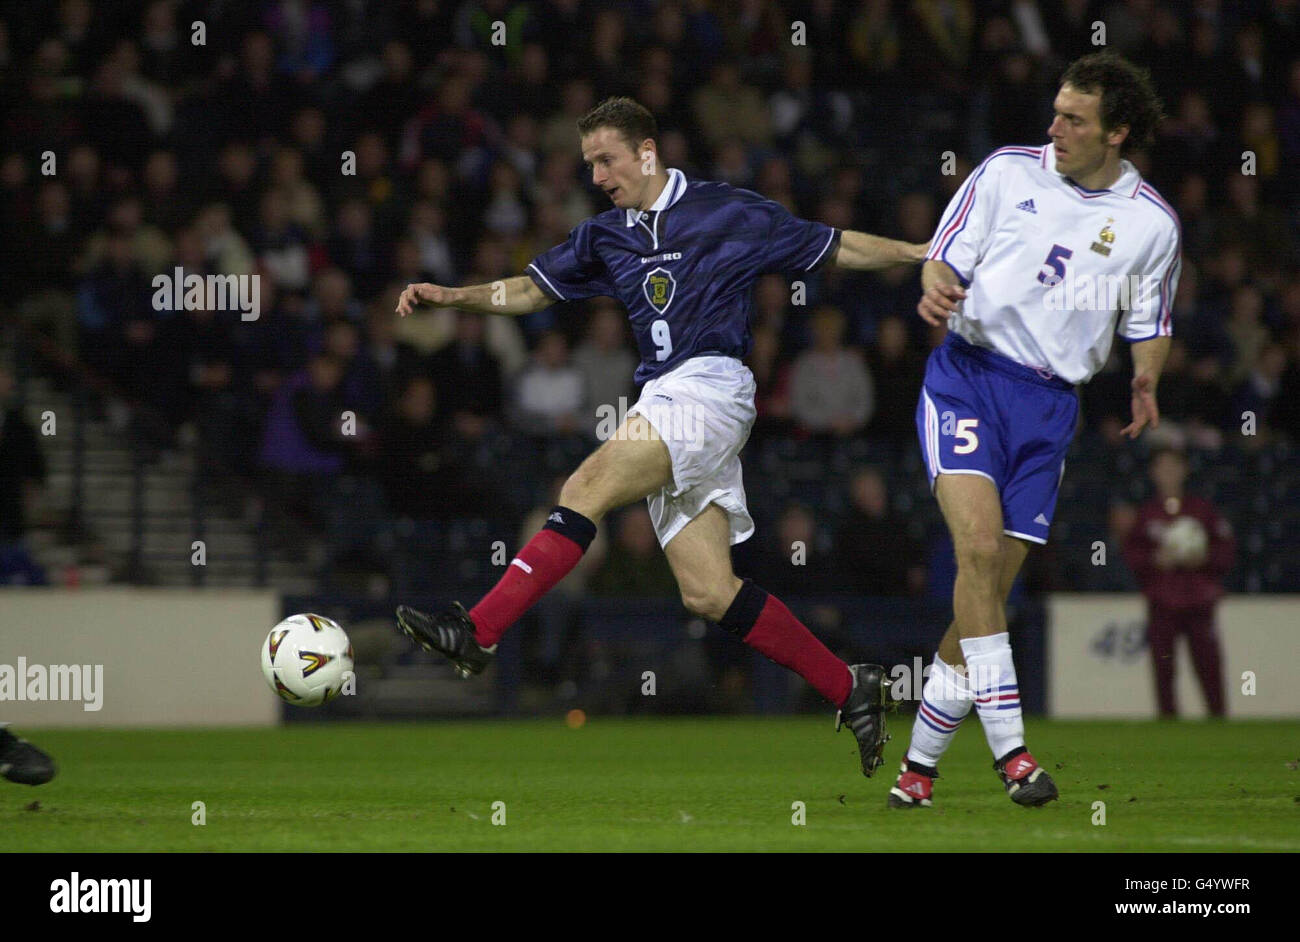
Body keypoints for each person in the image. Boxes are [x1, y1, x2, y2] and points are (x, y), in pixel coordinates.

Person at [394, 96, 927, 779]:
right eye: (588, 164)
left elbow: (832, 244)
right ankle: (849, 686)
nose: (597, 177)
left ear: (647, 153)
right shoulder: (604, 235)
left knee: (584, 486)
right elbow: (530, 291)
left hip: (710, 390)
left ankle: (478, 632)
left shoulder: (727, 210)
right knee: (707, 592)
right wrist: (454, 296)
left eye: (605, 160)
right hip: (665, 398)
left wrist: (914, 251)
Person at [895, 52, 1181, 808]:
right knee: (978, 552)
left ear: (1115, 133)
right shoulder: (1004, 172)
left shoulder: (1152, 224)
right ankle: (1014, 755)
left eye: (1074, 119)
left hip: (1051, 408)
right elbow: (940, 256)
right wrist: (934, 286)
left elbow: (1150, 322)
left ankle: (916, 772)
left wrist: (1147, 374)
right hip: (969, 380)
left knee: (986, 590)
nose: (1053, 128)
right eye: (1055, 111)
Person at [1123, 446, 1235, 717]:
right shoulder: (1147, 513)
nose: (1169, 474)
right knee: (1164, 667)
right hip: (1162, 600)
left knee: (1208, 664)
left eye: (1174, 467)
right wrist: (1154, 560)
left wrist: (1203, 558)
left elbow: (1226, 549)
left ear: (1185, 471)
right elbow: (1132, 553)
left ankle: (1218, 718)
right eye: (1163, 468)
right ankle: (1167, 720)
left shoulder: (1201, 509)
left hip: (1199, 599)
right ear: (1153, 473)